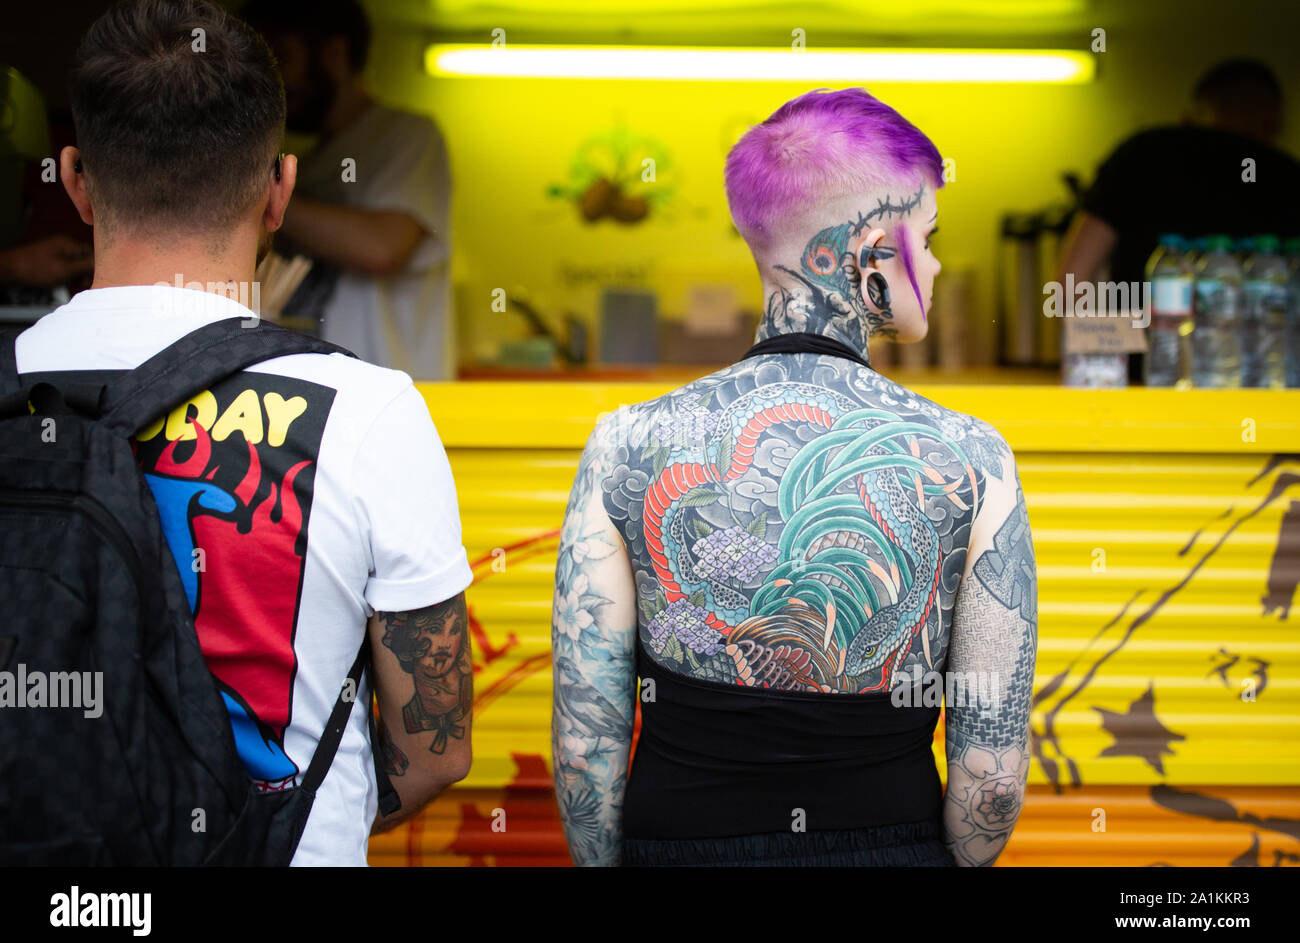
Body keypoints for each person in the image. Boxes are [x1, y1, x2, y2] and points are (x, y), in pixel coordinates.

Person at [11, 0, 473, 864]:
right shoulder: (369, 411)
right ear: (280, 190)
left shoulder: (10, 384)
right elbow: (433, 750)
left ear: (74, 179)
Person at [551, 88, 1039, 867]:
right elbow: (992, 783)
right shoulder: (974, 460)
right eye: (929, 237)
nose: (939, 263)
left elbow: (585, 752)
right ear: (874, 250)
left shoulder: (626, 443)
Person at [239, 0, 457, 380]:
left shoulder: (406, 136)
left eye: (285, 58)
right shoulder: (308, 162)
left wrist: (260, 191)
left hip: (398, 403)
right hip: (317, 402)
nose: (276, 84)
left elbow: (383, 248)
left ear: (335, 54)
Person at [1059, 57, 1300, 380]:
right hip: (1265, 390)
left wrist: (1098, 364)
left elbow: (1071, 281)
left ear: (1196, 111)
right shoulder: (1287, 178)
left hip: (1142, 383)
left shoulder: (1147, 151)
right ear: (1274, 117)